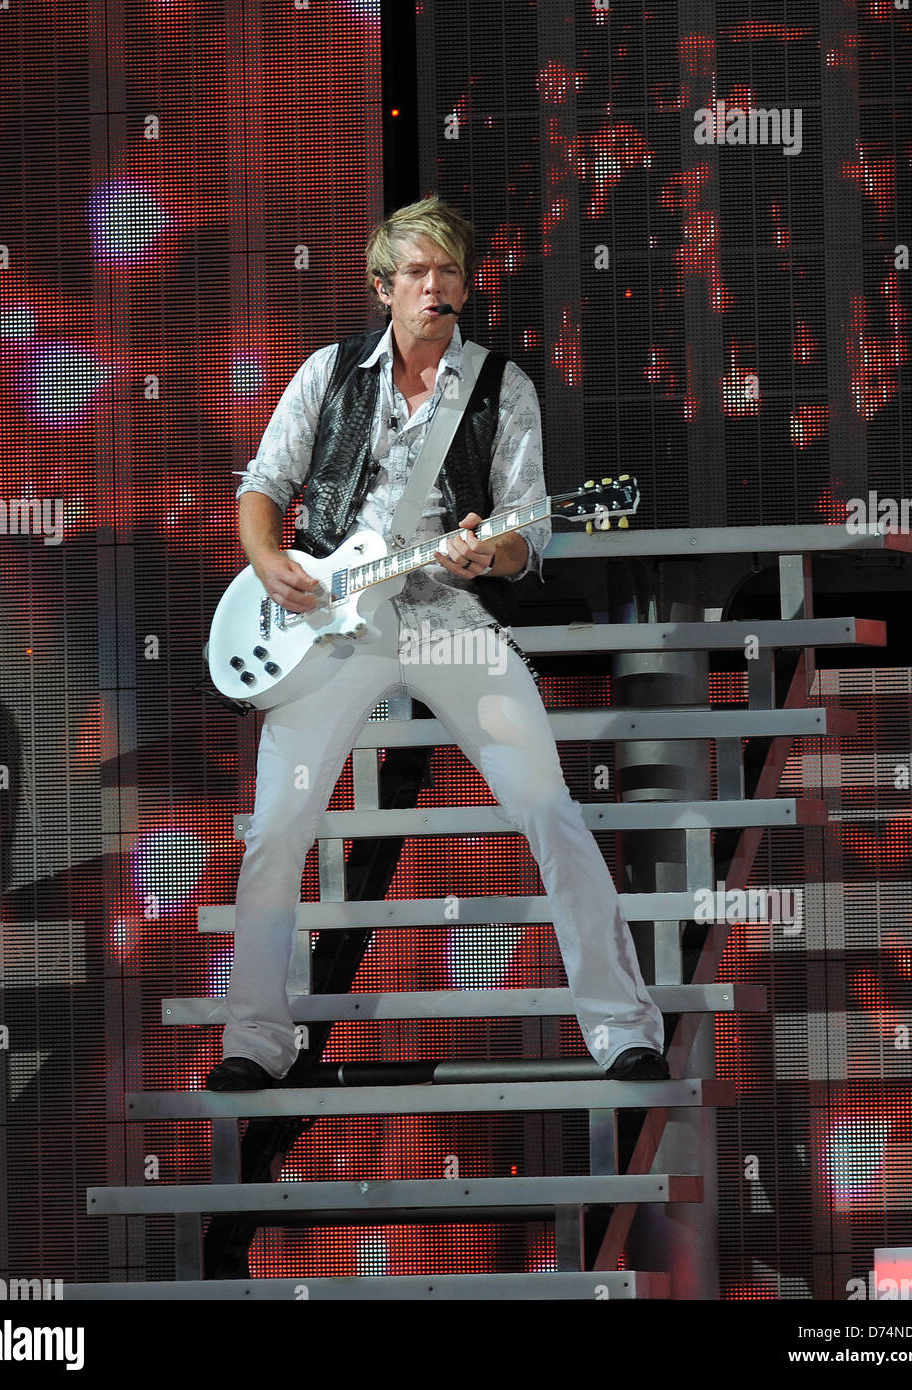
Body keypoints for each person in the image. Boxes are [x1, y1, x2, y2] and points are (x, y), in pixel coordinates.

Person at [207, 196, 667, 1090]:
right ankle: (254, 1042)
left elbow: (527, 535)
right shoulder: (331, 373)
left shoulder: (503, 387)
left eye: (447, 270)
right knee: (276, 833)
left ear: (464, 284)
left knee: (548, 810)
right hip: (331, 626)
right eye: (416, 272)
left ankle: (621, 1028)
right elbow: (263, 484)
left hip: (449, 623)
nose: (433, 285)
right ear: (384, 287)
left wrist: (484, 547)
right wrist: (268, 561)